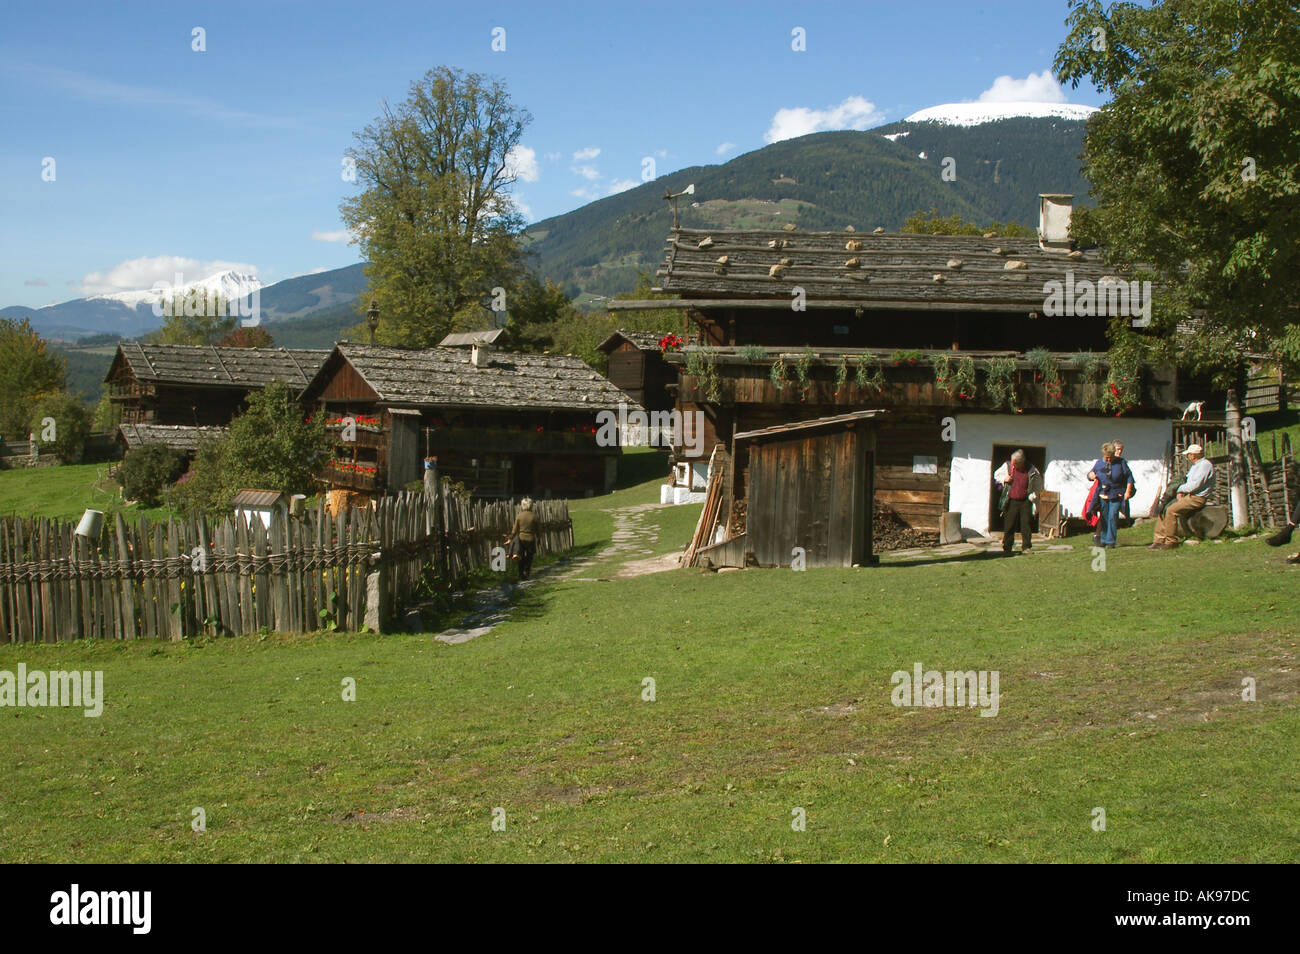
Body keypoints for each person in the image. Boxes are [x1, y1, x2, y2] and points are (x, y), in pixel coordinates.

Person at [1149, 444, 1214, 549]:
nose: (1188, 457)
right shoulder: (1196, 465)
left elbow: (1195, 485)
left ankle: (1171, 541)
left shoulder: (1205, 465)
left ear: (1193, 455)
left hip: (1197, 498)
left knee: (1171, 510)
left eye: (1189, 455)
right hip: (1189, 495)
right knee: (1164, 508)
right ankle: (1158, 540)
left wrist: (1179, 489)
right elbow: (1188, 481)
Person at [1088, 442, 1135, 548]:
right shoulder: (1099, 463)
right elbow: (1091, 474)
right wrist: (1090, 475)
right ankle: (1103, 539)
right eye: (1106, 457)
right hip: (1103, 494)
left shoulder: (1121, 462)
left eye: (1110, 457)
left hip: (1116, 494)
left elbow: (1129, 477)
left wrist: (1128, 491)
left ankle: (1110, 541)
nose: (1108, 459)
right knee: (1104, 517)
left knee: (1112, 516)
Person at [995, 449, 1042, 555]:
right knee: (1009, 525)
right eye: (1012, 462)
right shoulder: (1007, 466)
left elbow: (1038, 484)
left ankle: (1026, 547)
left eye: (1015, 463)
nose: (1012, 464)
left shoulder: (1031, 470)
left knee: (1026, 525)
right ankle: (1007, 548)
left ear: (1021, 462)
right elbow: (996, 475)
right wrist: (1005, 478)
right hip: (1011, 500)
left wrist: (1034, 495)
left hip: (1025, 501)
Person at [508, 497, 538, 580]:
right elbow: (538, 529)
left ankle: (521, 574)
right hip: (530, 538)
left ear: (522, 506)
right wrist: (538, 537)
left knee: (520, 556)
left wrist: (511, 537)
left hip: (521, 539)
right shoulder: (534, 516)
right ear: (531, 505)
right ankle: (526, 571)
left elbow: (514, 529)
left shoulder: (519, 516)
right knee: (529, 556)